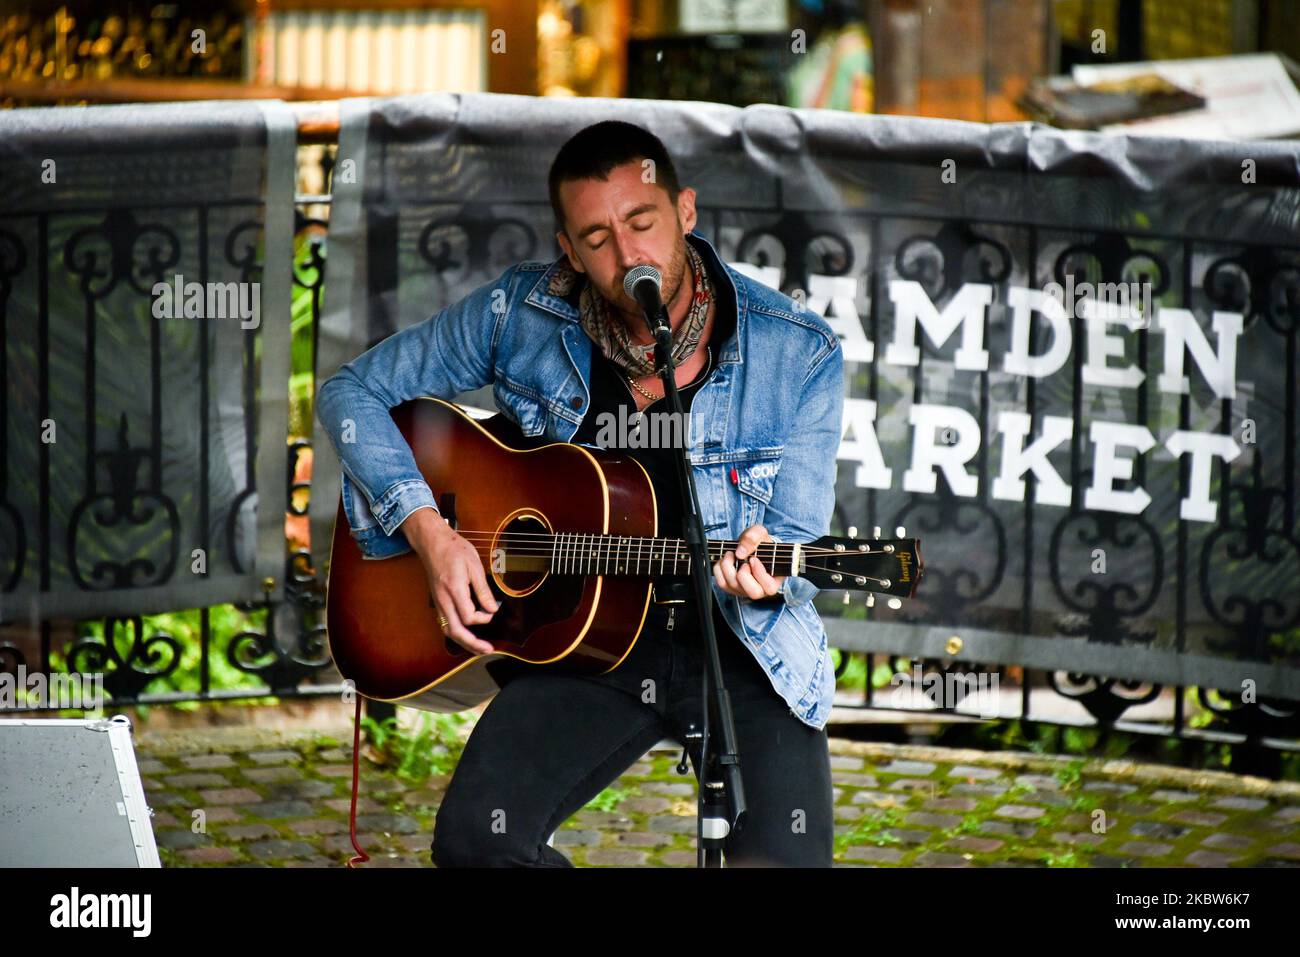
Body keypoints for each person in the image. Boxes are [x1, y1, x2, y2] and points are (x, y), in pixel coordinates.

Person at [315, 120, 846, 867]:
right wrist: (428, 529)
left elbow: (791, 529)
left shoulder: (799, 349)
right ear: (568, 249)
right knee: (477, 841)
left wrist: (760, 571)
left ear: (685, 212)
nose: (629, 254)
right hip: (588, 643)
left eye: (642, 222)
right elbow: (351, 390)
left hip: (740, 645)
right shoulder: (520, 313)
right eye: (597, 237)